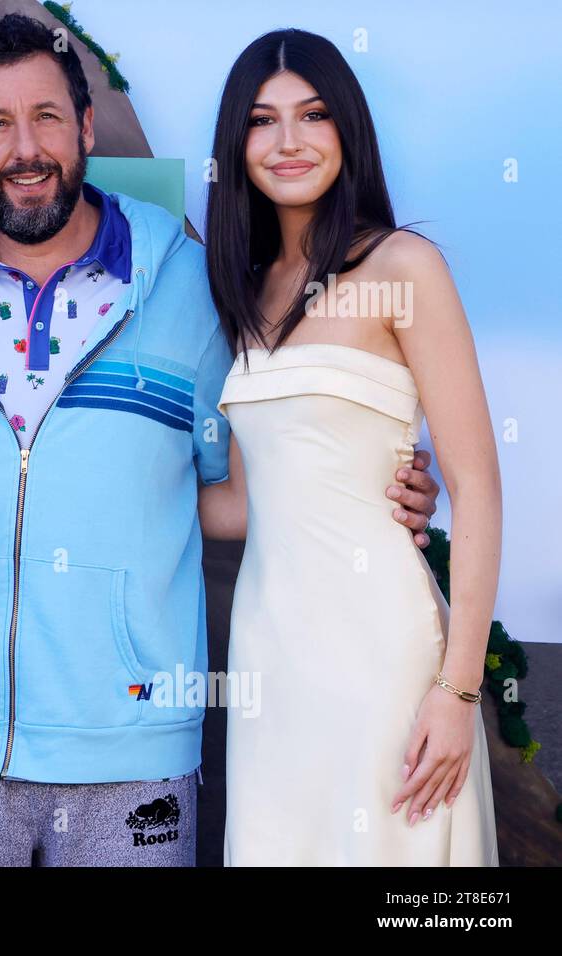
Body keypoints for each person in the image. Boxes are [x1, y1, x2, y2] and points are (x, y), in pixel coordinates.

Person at [0, 13, 440, 867]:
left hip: (134, 757)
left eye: (48, 117)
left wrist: (377, 485)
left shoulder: (192, 287)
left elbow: (248, 486)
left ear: (87, 126)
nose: (26, 147)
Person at [204, 29, 499, 865]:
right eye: (263, 121)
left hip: (385, 659)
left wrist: (459, 692)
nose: (289, 141)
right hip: (269, 662)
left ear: (348, 130)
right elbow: (245, 504)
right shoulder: (245, 289)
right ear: (237, 145)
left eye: (314, 114)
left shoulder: (405, 264)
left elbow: (476, 487)